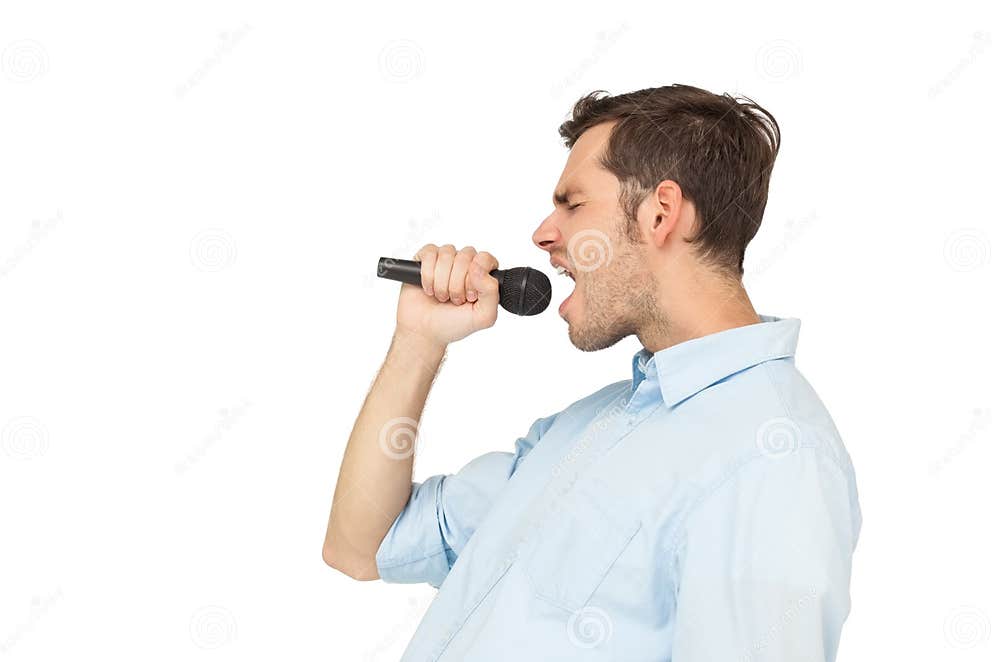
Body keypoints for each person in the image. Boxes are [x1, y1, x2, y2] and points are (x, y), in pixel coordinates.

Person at [322, 84, 861, 661]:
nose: (543, 235)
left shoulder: (772, 455)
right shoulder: (583, 428)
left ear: (660, 213)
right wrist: (417, 342)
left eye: (573, 204)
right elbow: (363, 547)